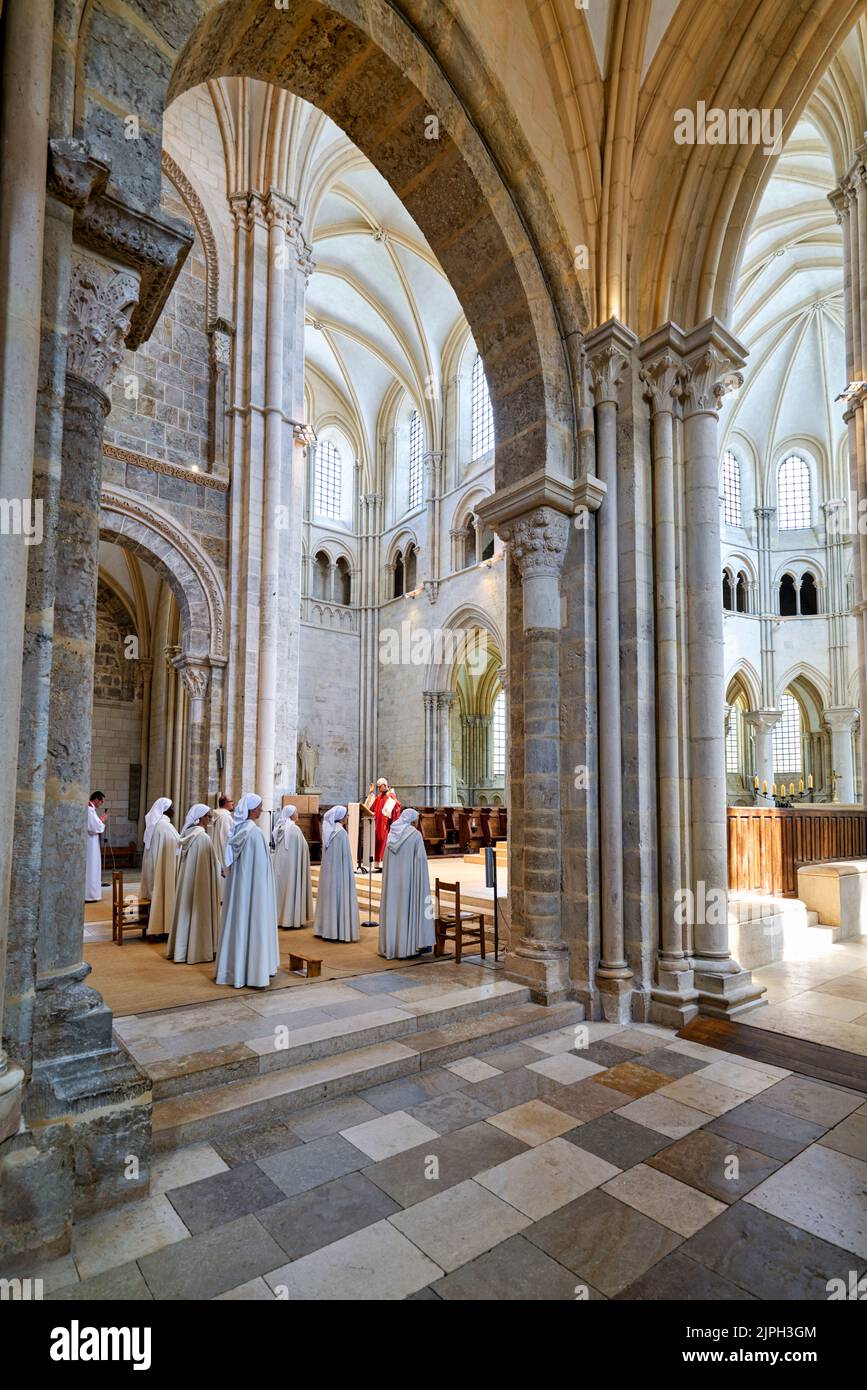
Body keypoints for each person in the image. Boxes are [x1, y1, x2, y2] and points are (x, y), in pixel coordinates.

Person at [215, 793, 279, 988]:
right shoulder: (255, 833)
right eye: (259, 807)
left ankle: (234, 968)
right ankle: (254, 971)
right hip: (255, 892)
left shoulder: (237, 830)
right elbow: (261, 870)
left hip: (238, 891)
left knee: (239, 922)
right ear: (252, 810)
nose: (261, 810)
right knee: (253, 922)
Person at [378, 809, 435, 959]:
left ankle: (392, 946)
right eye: (416, 820)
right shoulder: (415, 836)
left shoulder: (392, 835)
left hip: (393, 884)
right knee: (407, 910)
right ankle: (407, 947)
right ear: (413, 820)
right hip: (409, 883)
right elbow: (421, 861)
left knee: (394, 911)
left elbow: (387, 860)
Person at [167, 804, 220, 964]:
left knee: (185, 910)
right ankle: (199, 950)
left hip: (187, 884)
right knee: (198, 915)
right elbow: (208, 865)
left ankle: (182, 949)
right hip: (200, 883)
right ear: (201, 818)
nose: (209, 819)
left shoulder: (189, 834)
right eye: (208, 816)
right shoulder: (202, 837)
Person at [313, 805, 360, 942]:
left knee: (329, 899)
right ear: (341, 817)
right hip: (339, 874)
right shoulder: (341, 834)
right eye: (346, 815)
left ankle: (325, 929)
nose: (348, 817)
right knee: (338, 898)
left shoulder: (329, 832)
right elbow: (345, 858)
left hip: (329, 874)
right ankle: (338, 930)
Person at [141, 797, 179, 939]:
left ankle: (156, 925)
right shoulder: (164, 827)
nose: (174, 810)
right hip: (162, 868)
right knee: (163, 893)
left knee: (156, 893)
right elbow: (177, 845)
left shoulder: (155, 825)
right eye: (172, 807)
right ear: (165, 810)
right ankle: (162, 927)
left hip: (154, 866)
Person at [273, 805, 312, 929]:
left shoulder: (280, 827)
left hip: (280, 864)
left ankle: (278, 918)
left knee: (280, 890)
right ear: (290, 815)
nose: (298, 814)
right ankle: (289, 919)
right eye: (296, 812)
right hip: (291, 866)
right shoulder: (294, 829)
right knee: (290, 889)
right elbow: (303, 847)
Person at [369, 777, 402, 871]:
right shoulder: (379, 797)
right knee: (379, 843)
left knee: (384, 843)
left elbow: (397, 807)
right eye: (378, 787)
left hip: (386, 825)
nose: (379, 789)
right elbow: (371, 807)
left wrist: (392, 796)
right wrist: (371, 794)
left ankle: (385, 864)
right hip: (378, 824)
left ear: (385, 785)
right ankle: (379, 865)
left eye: (380, 787)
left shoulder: (390, 795)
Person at [210, 794, 234, 898]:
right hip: (223, 853)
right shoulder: (224, 817)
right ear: (225, 804)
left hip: (217, 851)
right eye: (231, 801)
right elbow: (226, 838)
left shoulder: (219, 816)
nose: (233, 803)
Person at [85, 791, 107, 902]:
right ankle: (90, 895)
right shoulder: (89, 810)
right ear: (96, 799)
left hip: (92, 841)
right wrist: (102, 820)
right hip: (90, 842)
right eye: (101, 801)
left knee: (93, 867)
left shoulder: (91, 809)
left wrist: (99, 821)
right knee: (91, 867)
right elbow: (94, 827)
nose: (101, 804)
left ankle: (91, 893)